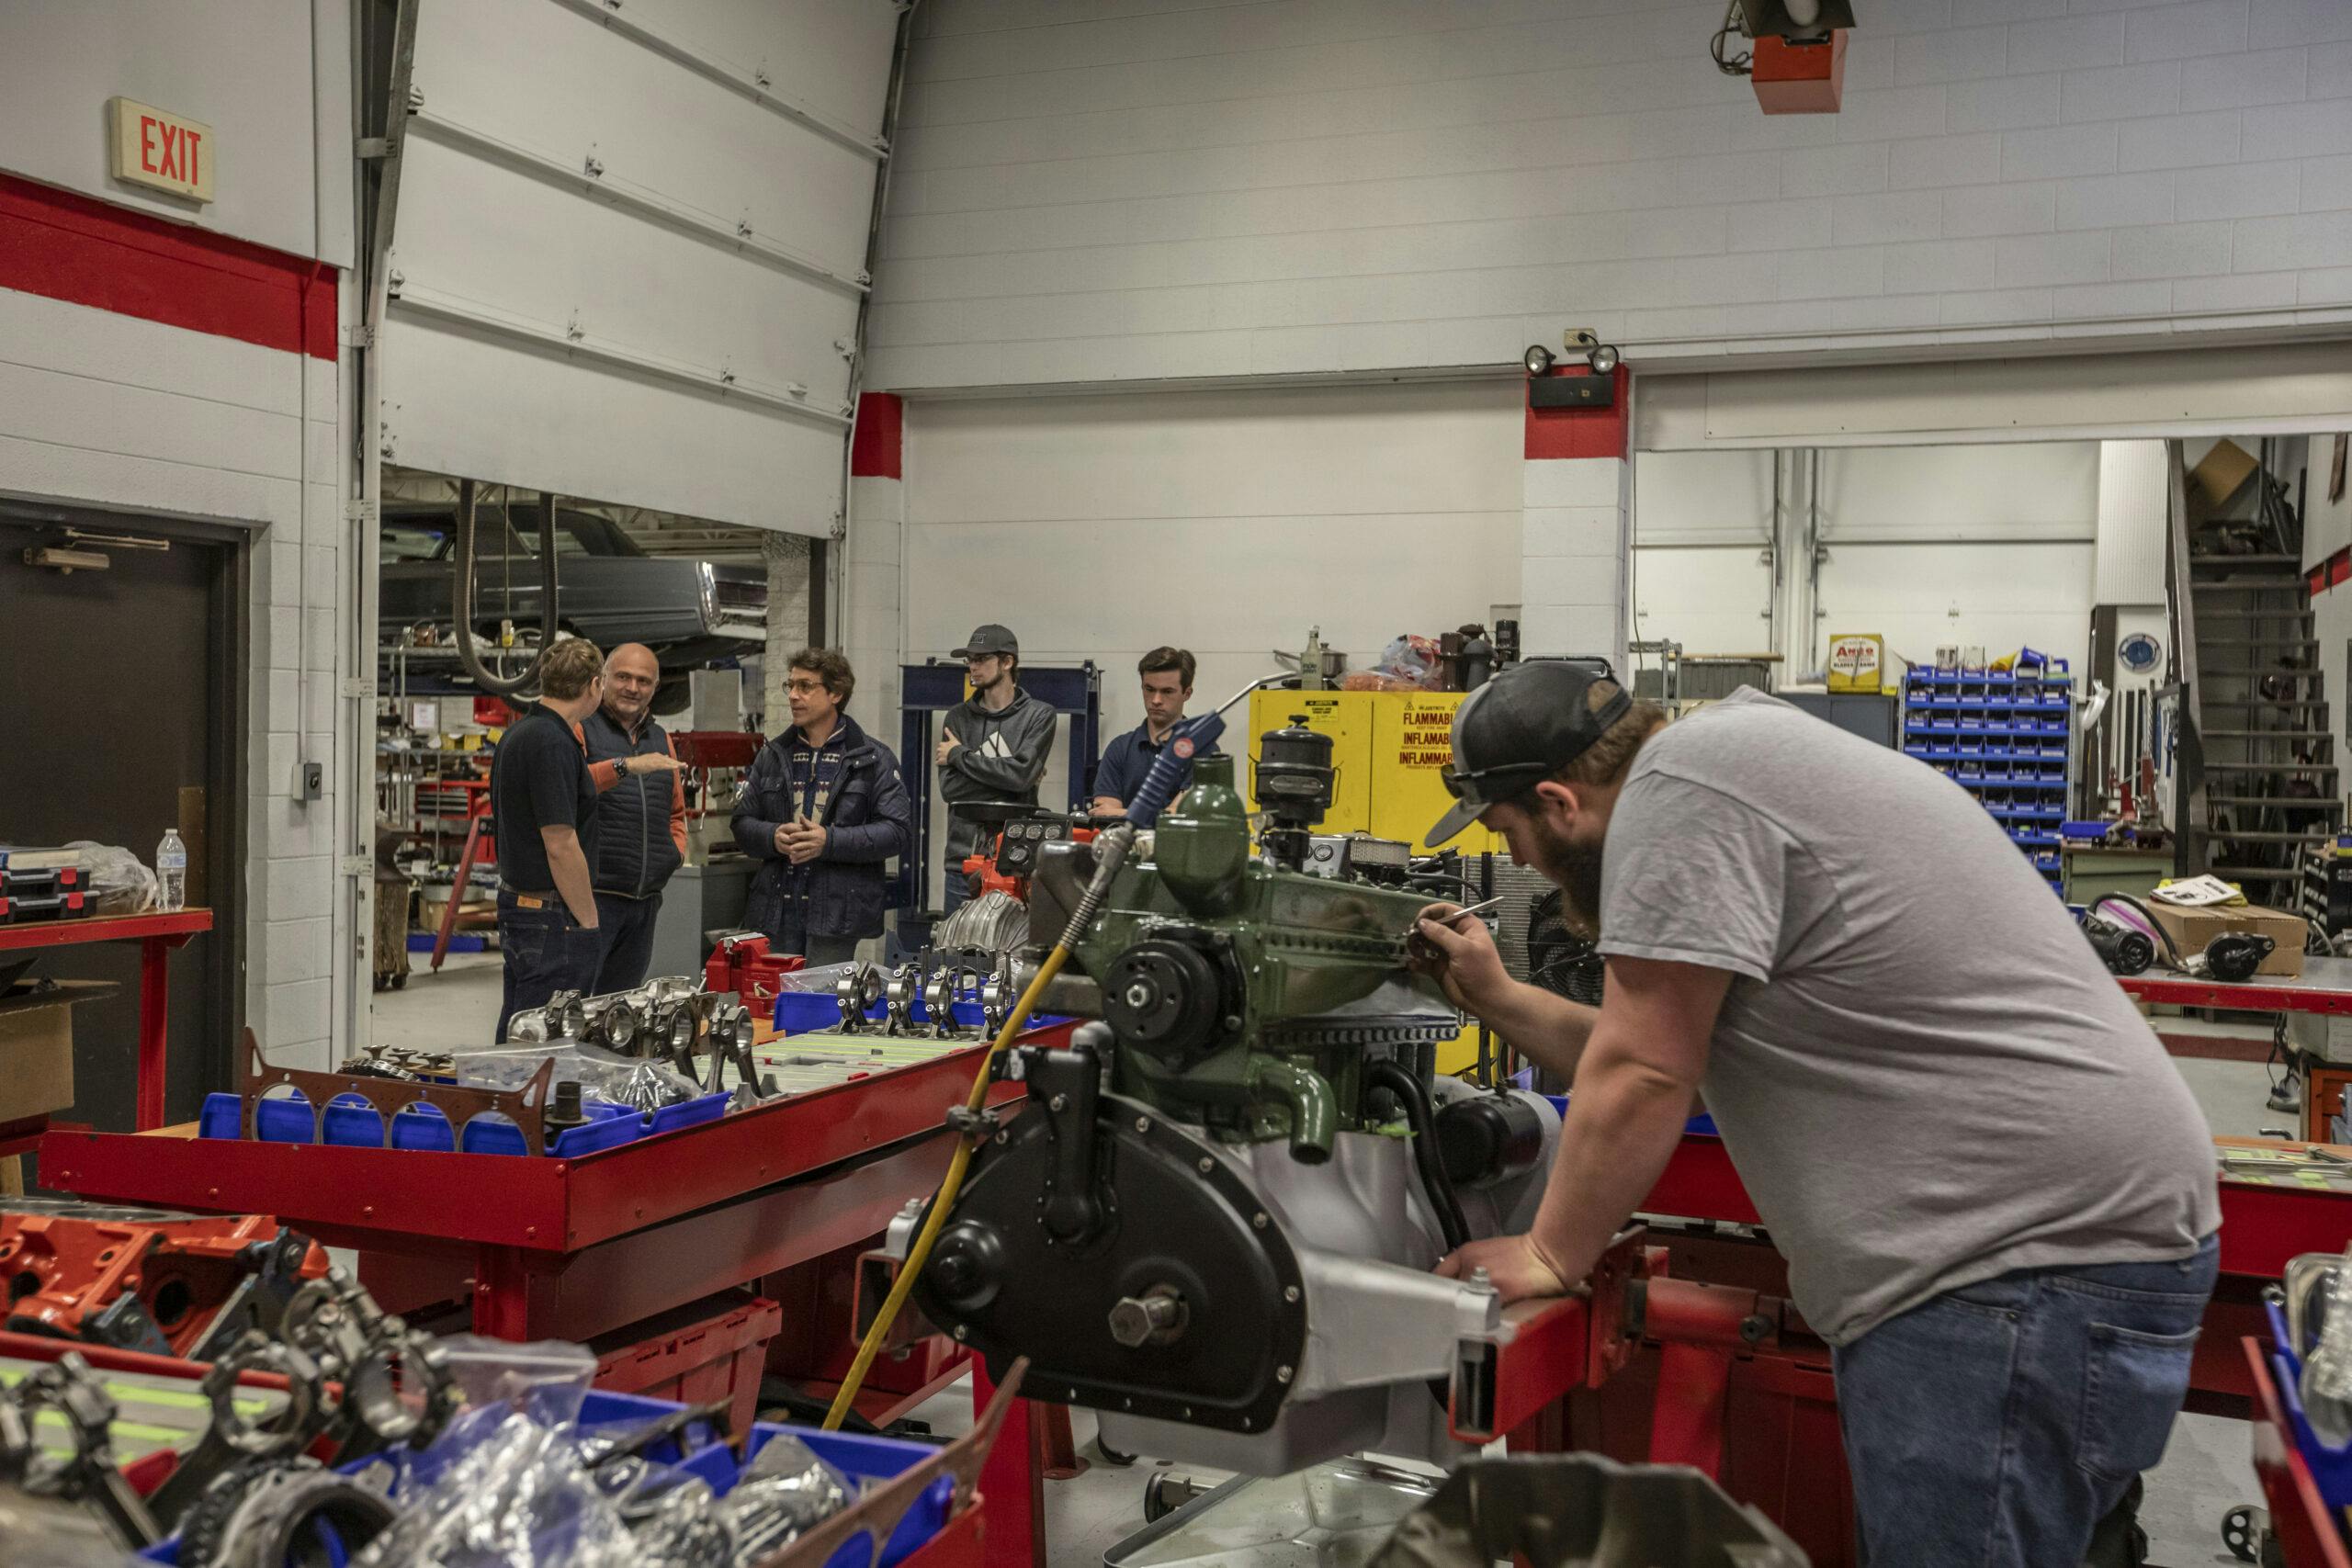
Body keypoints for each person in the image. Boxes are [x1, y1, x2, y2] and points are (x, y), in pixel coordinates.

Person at [1408, 663, 2219, 1566]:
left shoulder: (1676, 795)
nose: (1515, 859)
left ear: (1558, 802)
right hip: (2059, 1247)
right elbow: (1658, 1044)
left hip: (2007, 1267)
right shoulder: (1728, 758)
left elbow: (1645, 1068)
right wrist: (1498, 997)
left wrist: (1551, 1252)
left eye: (1505, 829)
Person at [733, 648, 913, 966]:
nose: (794, 696)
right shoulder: (773, 755)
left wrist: (827, 842)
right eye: (791, 686)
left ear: (836, 693)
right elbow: (743, 822)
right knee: (772, 1005)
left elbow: (896, 832)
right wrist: (772, 836)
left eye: (806, 686)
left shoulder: (874, 758)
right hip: (776, 911)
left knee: (819, 1005)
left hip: (837, 913)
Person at [488, 637, 606, 1041]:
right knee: (545, 1038)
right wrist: (588, 920)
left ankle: (505, 1102)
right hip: (549, 916)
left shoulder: (519, 734)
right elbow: (560, 843)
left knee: (520, 1028)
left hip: (521, 907)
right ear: (593, 685)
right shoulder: (553, 743)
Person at [577, 643, 689, 992]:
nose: (632, 688)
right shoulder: (581, 729)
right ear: (603, 678)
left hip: (644, 902)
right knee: (574, 1006)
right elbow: (572, 790)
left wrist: (674, 853)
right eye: (623, 677)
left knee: (619, 1009)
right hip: (594, 896)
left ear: (655, 688)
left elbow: (676, 812)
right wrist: (624, 767)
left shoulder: (660, 738)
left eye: (643, 681)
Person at [935, 625, 1056, 913]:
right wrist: (1013, 775)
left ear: (1007, 662)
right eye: (970, 661)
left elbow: (1020, 776)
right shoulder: (957, 717)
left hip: (1015, 861)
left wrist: (959, 756)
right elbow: (950, 789)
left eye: (981, 659)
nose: (972, 668)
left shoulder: (1039, 715)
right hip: (962, 862)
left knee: (1011, 955)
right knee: (956, 954)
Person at [1091, 647, 1220, 818]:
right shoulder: (1119, 748)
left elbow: (1181, 817)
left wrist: (1123, 813)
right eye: (1149, 689)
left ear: (1186, 693)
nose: (1156, 700)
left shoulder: (1205, 750)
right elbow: (1104, 816)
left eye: (1167, 691)